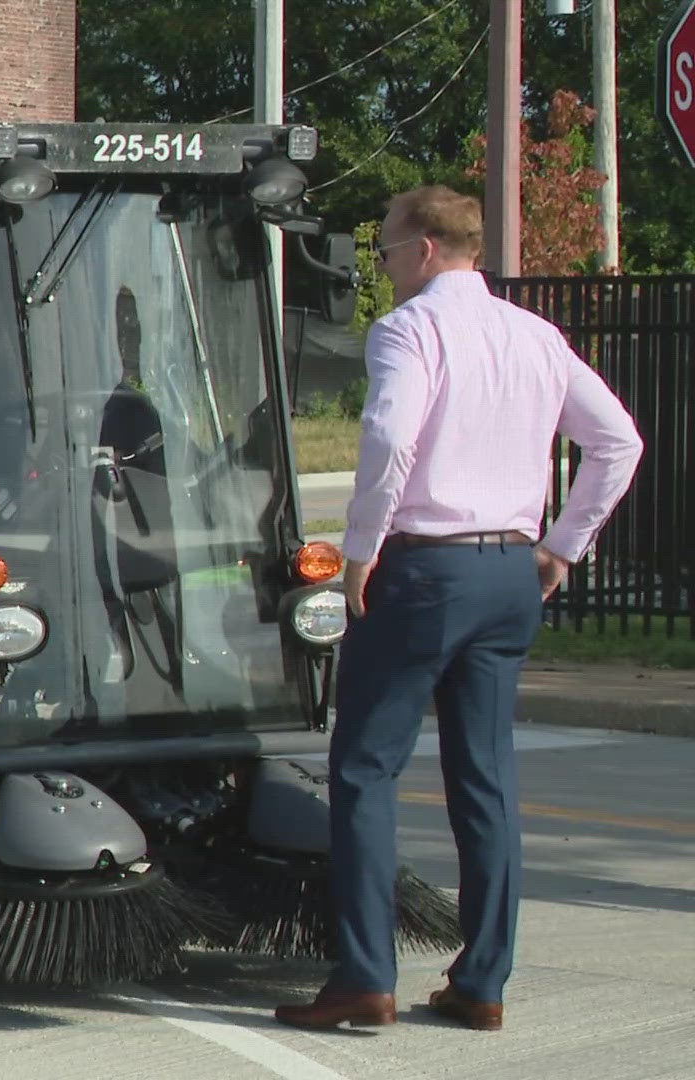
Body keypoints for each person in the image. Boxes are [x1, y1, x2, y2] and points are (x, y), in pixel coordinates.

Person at [275, 185, 642, 1032]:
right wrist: (563, 544)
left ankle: (365, 975)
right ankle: (482, 980)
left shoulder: (409, 328)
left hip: (424, 570)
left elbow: (392, 435)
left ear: (428, 248)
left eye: (391, 247)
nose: (385, 262)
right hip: (511, 571)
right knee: (485, 779)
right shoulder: (536, 335)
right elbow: (617, 439)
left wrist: (361, 546)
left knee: (365, 768)